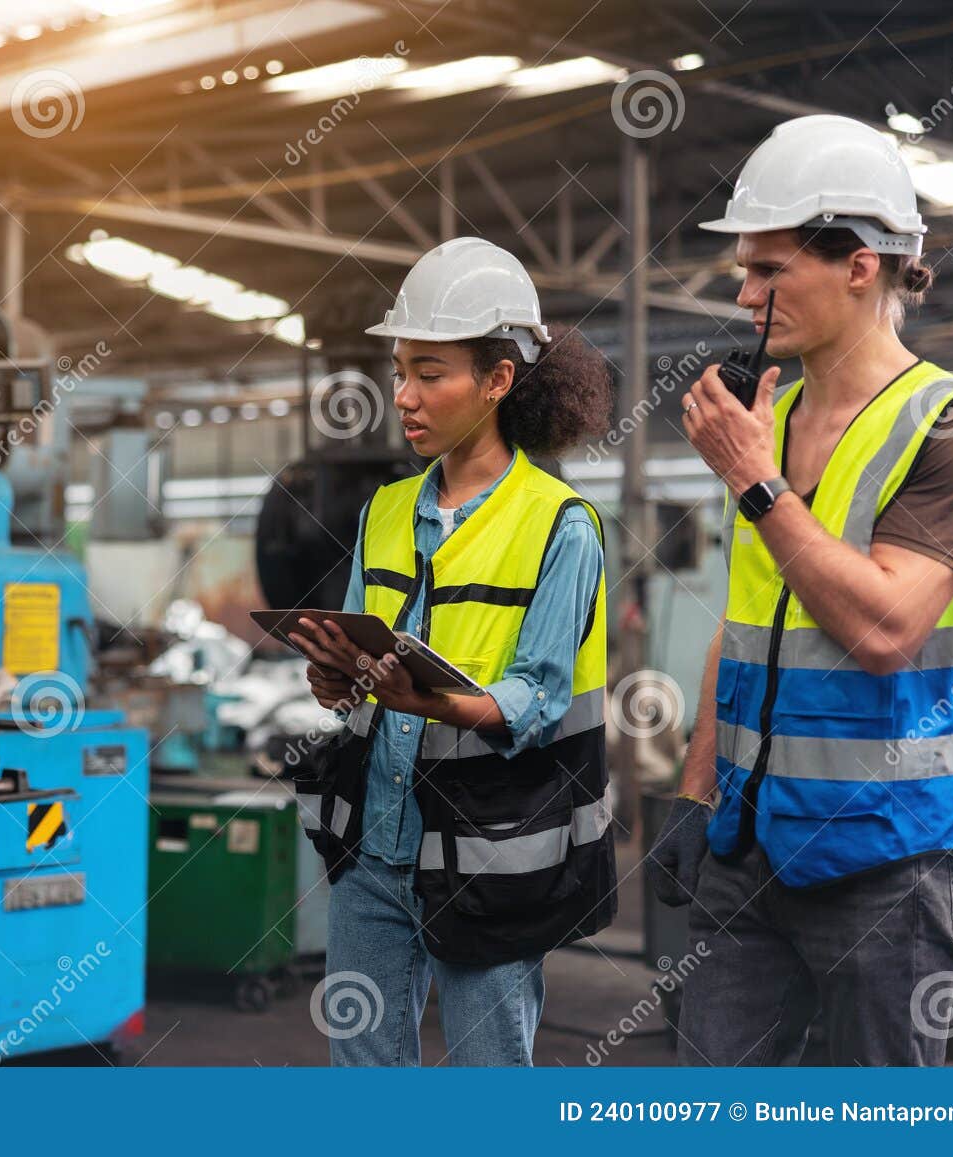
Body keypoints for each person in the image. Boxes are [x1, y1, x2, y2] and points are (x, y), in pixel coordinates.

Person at [646, 114, 953, 1065]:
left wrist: (758, 486)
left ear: (861, 265)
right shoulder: (775, 414)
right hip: (748, 846)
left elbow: (887, 627)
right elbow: (749, 620)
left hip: (891, 860)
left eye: (772, 271)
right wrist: (693, 790)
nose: (747, 293)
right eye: (745, 271)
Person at [288, 237, 616, 1065]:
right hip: (374, 848)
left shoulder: (560, 524)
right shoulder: (385, 510)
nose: (405, 395)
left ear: (499, 379)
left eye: (431, 373)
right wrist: (337, 673)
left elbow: (538, 699)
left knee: (486, 1081)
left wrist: (434, 703)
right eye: (400, 371)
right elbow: (365, 657)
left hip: (490, 855)